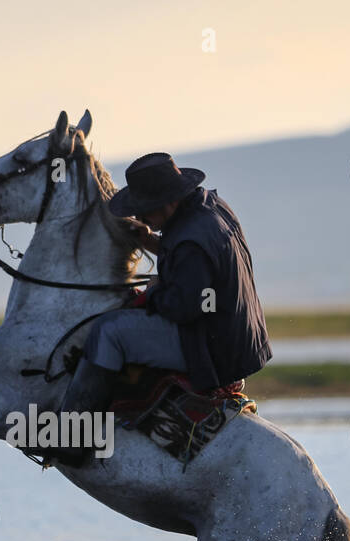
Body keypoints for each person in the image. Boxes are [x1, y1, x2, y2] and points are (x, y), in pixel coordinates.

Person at [44, 152, 272, 466]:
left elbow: (184, 308)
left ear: (166, 203)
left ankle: (71, 438)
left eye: (145, 211)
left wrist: (153, 293)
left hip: (212, 349)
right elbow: (197, 261)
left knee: (108, 331)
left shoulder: (191, 240)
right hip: (237, 340)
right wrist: (154, 243)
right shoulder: (211, 208)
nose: (143, 218)